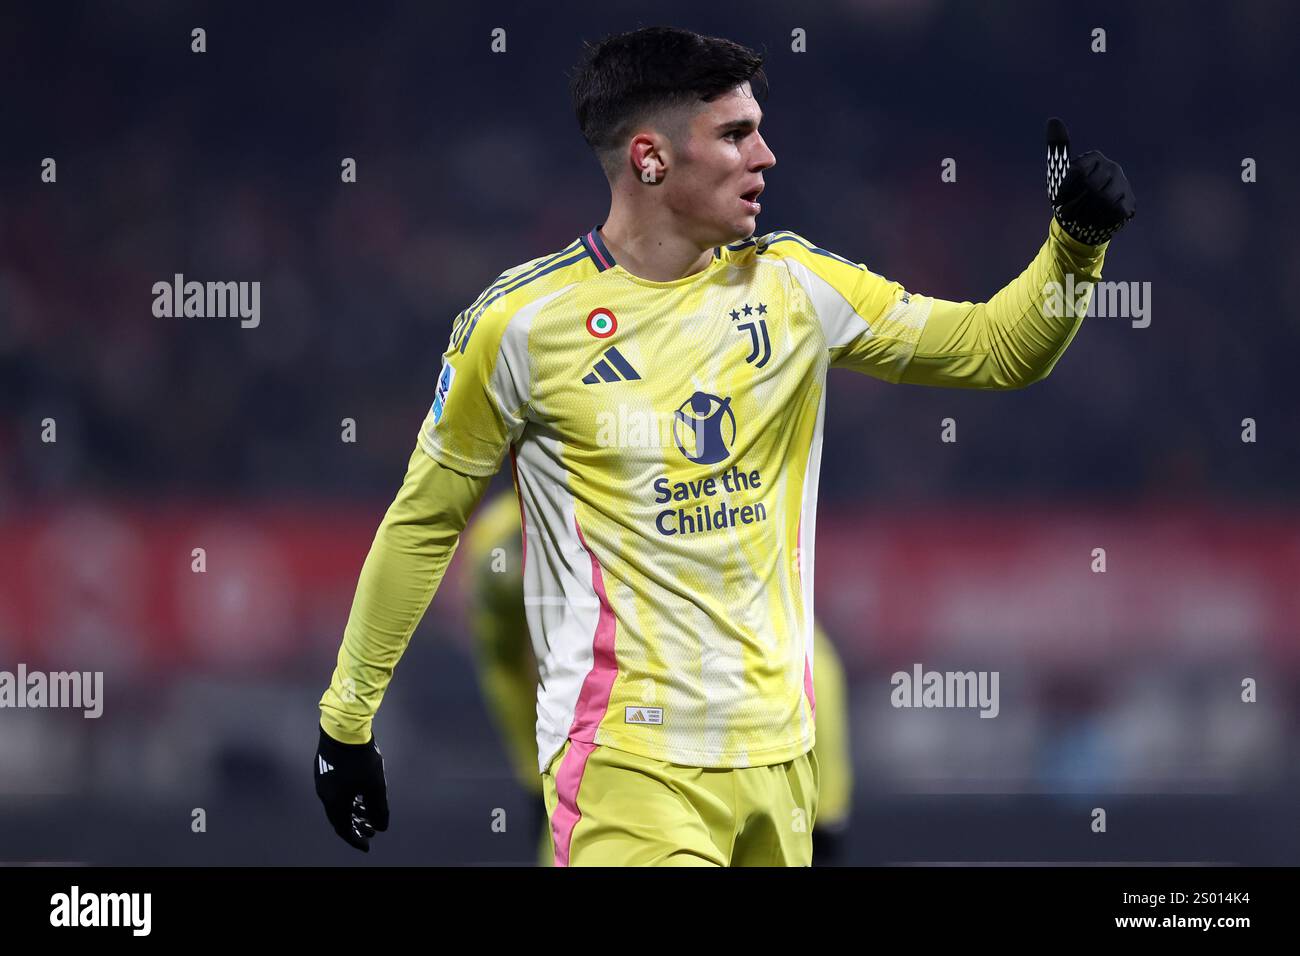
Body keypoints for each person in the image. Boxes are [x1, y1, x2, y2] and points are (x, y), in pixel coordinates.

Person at [314, 25, 1134, 866]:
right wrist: (346, 723)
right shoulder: (520, 327)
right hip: (629, 768)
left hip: (781, 766)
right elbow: (424, 522)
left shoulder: (797, 288)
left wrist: (1075, 244)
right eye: (737, 134)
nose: (766, 155)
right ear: (651, 159)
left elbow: (997, 349)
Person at [461, 491, 855, 865]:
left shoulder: (684, 509)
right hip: (607, 761)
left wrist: (825, 809)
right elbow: (503, 663)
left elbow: (800, 652)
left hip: (738, 756)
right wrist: (535, 775)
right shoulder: (506, 549)